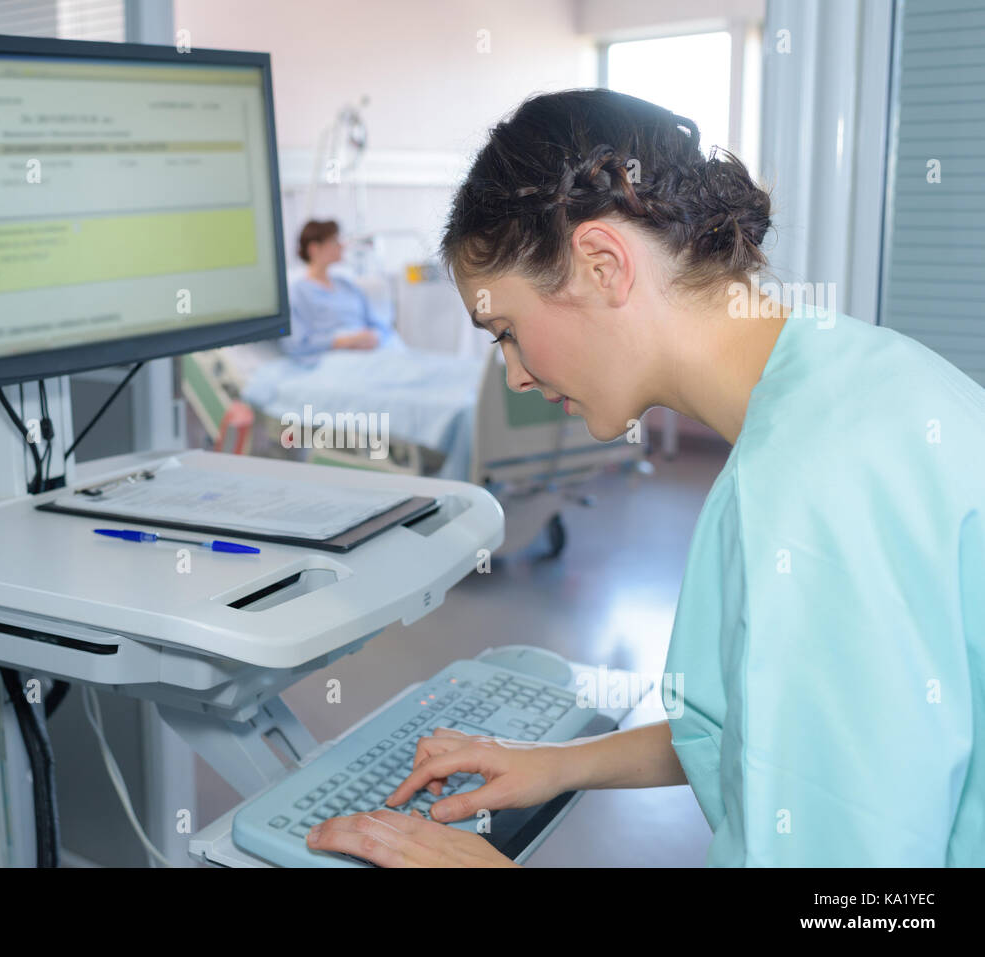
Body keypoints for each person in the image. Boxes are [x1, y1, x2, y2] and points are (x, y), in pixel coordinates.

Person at [305, 88, 985, 867]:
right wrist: (557, 764)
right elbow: (763, 729)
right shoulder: (846, 378)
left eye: (507, 333)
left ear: (602, 264)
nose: (516, 376)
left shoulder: (814, 488)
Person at [281, 220, 394, 357]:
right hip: (334, 359)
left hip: (372, 352)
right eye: (334, 241)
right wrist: (344, 341)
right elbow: (296, 343)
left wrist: (375, 337)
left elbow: (378, 325)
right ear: (314, 249)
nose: (341, 245)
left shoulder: (347, 285)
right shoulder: (298, 293)